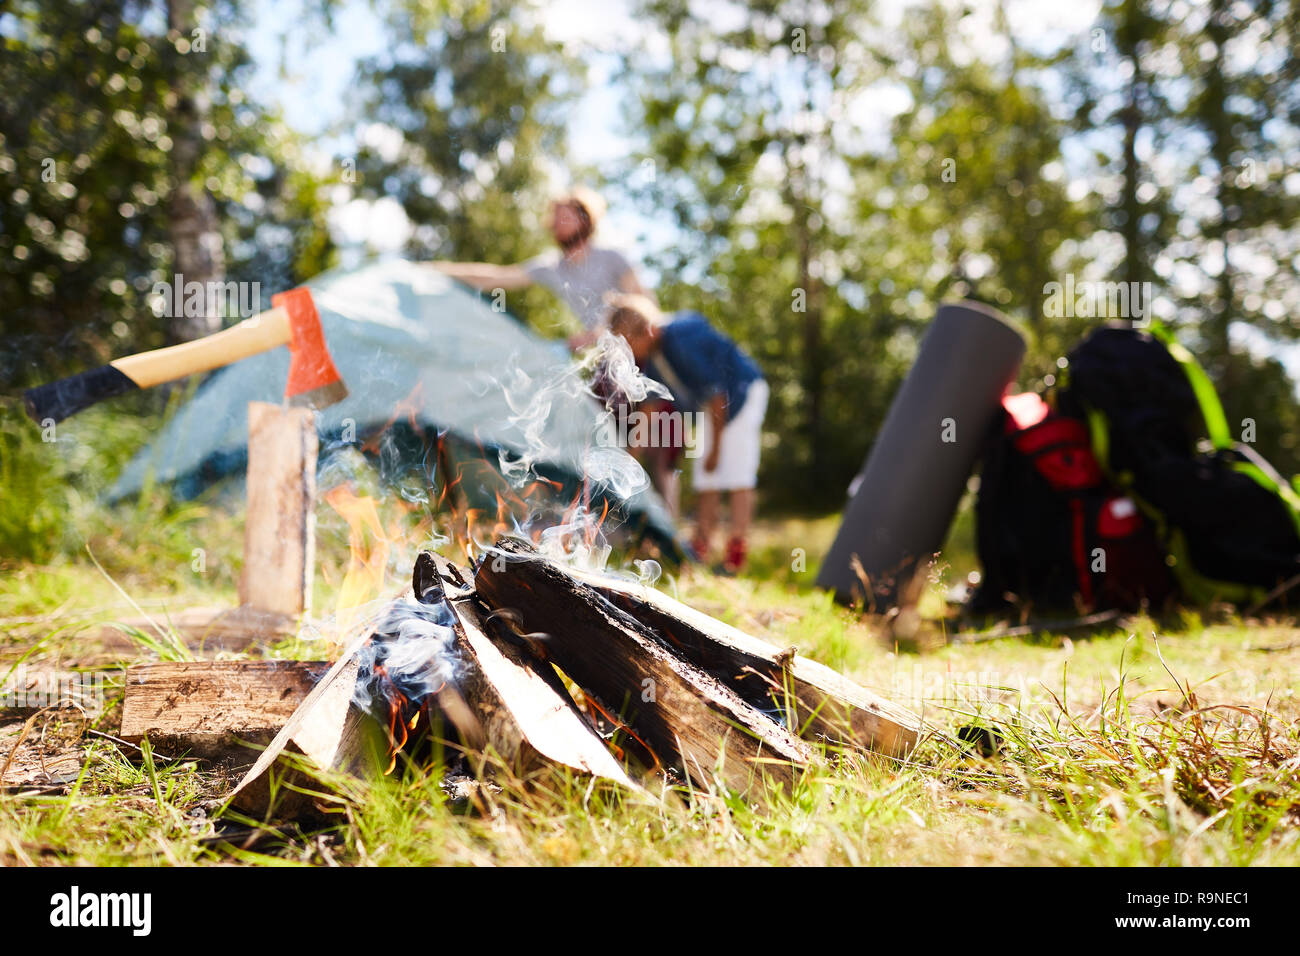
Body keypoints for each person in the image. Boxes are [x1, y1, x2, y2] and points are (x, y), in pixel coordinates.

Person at [606, 294, 768, 573]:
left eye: (629, 343)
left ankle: (735, 555)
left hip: (741, 394)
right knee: (706, 476)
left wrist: (716, 449)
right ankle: (701, 547)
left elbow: (717, 394)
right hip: (713, 409)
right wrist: (629, 460)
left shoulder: (680, 341)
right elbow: (649, 409)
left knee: (736, 474)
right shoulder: (654, 358)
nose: (628, 352)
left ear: (647, 331)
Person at [431, 186, 651, 349]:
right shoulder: (551, 267)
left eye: (564, 217)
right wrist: (438, 270)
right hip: (612, 358)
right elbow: (495, 277)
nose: (555, 223)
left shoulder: (612, 257)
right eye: (555, 218)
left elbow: (645, 305)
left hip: (644, 343)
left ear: (585, 219)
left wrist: (597, 333)